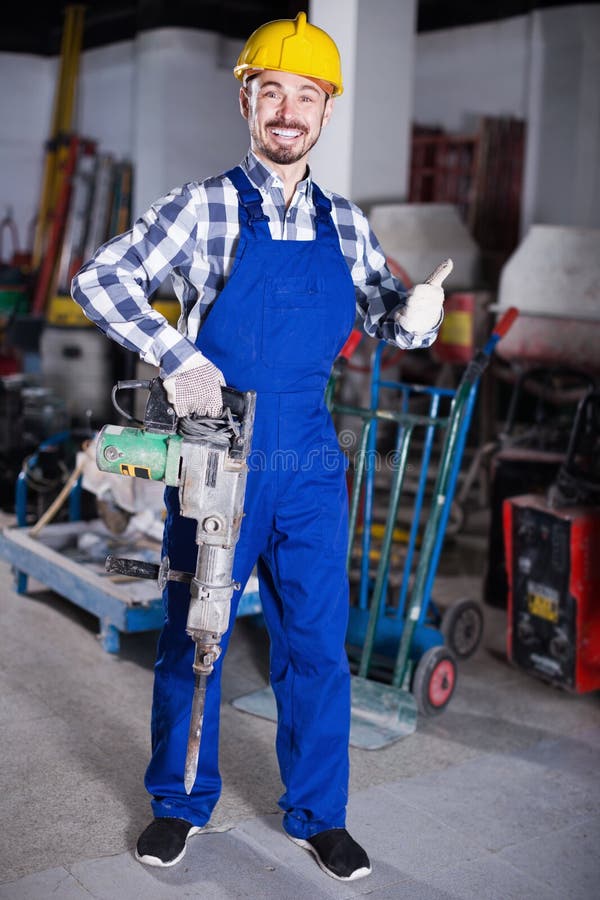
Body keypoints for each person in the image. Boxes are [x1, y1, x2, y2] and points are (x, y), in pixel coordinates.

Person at [71, 11, 451, 883]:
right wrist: (174, 353)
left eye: (306, 96)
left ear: (326, 111)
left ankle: (320, 815)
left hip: (308, 459)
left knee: (316, 643)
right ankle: (179, 805)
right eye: (271, 92)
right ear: (246, 102)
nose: (288, 111)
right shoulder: (201, 206)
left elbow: (387, 319)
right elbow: (99, 278)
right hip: (219, 454)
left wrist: (418, 318)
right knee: (192, 633)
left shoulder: (346, 223)